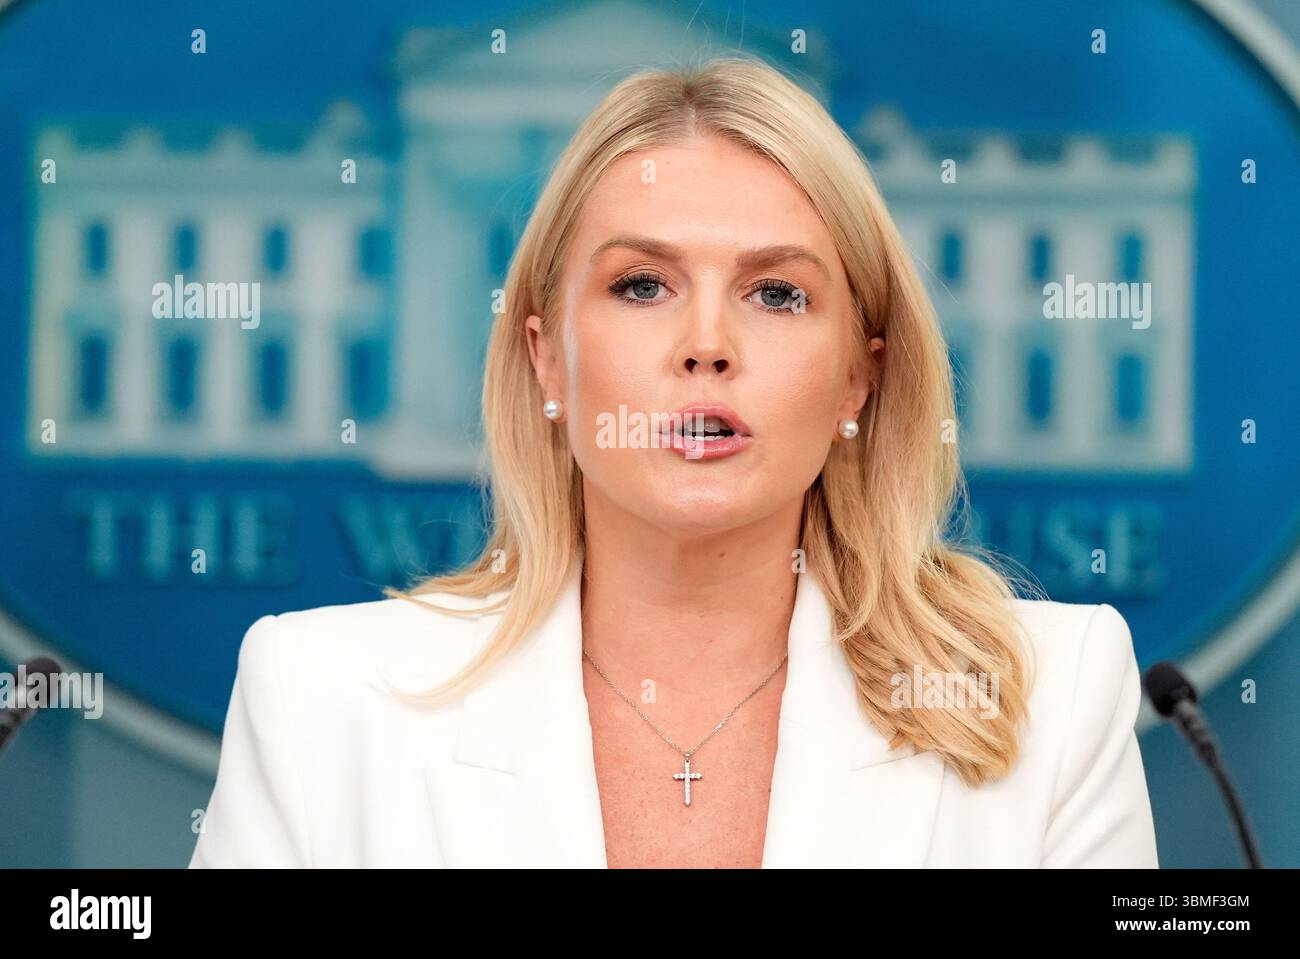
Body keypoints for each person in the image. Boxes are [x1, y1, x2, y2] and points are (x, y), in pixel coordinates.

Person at [189, 55, 1159, 869]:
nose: (706, 343)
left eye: (776, 293)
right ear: (546, 358)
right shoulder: (321, 695)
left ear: (857, 380)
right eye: (642, 283)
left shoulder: (1052, 691)